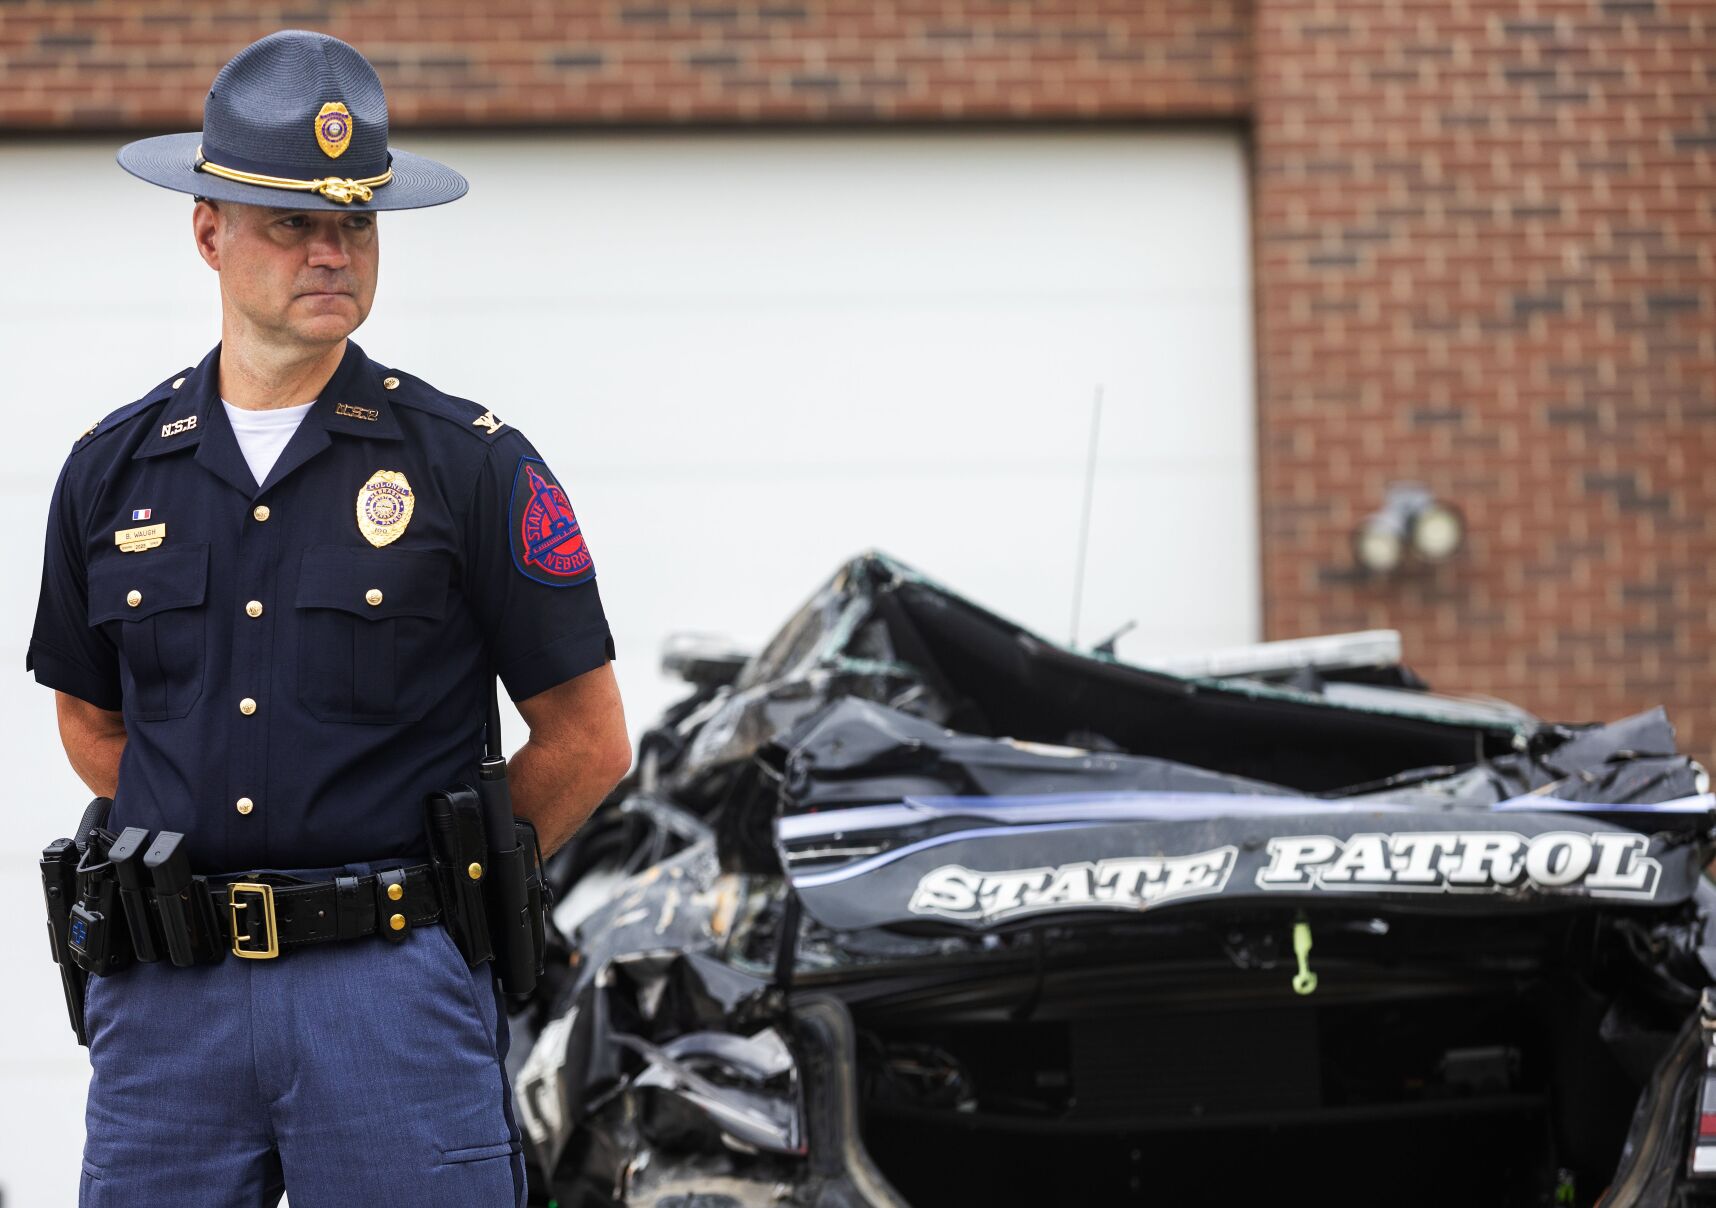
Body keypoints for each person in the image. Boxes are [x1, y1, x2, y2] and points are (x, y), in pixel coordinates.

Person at [27, 29, 632, 1207]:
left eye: (353, 223)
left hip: (390, 1001)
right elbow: (94, 721)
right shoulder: (111, 472)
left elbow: (588, 738)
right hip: (169, 1008)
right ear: (209, 230)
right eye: (292, 222)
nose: (330, 250)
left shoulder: (470, 466)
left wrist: (447, 897)